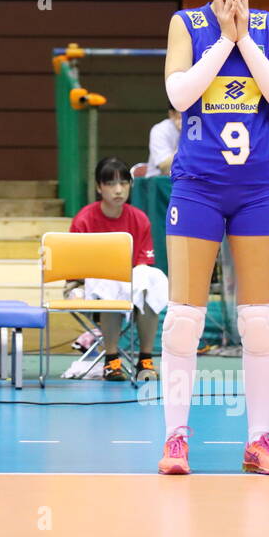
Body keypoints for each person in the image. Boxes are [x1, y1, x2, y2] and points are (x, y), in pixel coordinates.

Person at [158, 0, 269, 476]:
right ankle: (175, 439)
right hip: (198, 186)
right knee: (183, 319)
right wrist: (222, 39)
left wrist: (244, 41)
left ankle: (259, 439)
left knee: (259, 320)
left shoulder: (268, 25)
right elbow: (179, 93)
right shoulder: (186, 24)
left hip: (256, 190)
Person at [64, 157, 165, 382]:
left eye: (123, 183)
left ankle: (145, 360)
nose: (118, 190)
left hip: (129, 285)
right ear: (99, 188)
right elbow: (73, 269)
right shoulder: (84, 220)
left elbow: (143, 266)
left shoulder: (139, 219)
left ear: (130, 185)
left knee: (150, 285)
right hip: (83, 285)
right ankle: (111, 360)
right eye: (110, 184)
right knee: (109, 283)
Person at [147, 106, 181, 175]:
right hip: (159, 178)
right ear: (172, 114)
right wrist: (187, 140)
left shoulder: (200, 129)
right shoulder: (160, 130)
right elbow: (165, 168)